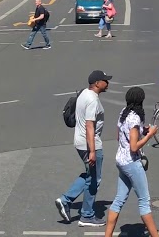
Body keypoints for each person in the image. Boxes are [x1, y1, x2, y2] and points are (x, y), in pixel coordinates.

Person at [55, 70, 111, 227]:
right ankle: (86, 215)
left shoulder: (84, 94)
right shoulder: (92, 99)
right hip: (90, 144)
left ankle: (65, 200)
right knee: (94, 180)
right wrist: (92, 151)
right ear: (97, 83)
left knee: (89, 175)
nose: (108, 83)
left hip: (79, 142)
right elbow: (89, 126)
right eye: (105, 80)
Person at [104, 87, 159, 237]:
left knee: (118, 200)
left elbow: (119, 136)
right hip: (131, 163)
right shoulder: (135, 118)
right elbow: (134, 146)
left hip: (121, 161)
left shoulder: (124, 112)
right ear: (140, 101)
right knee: (144, 201)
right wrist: (150, 135)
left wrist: (143, 129)